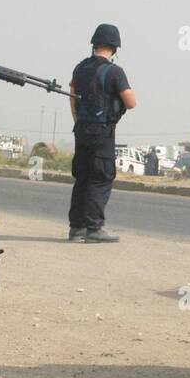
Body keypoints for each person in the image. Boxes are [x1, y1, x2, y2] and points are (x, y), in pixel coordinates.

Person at [68, 23, 136, 243]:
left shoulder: (79, 68)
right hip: (102, 132)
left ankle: (76, 228)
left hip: (81, 129)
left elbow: (72, 96)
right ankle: (94, 228)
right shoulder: (115, 71)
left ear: (94, 44)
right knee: (100, 178)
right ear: (115, 48)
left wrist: (78, 120)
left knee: (82, 177)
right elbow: (131, 102)